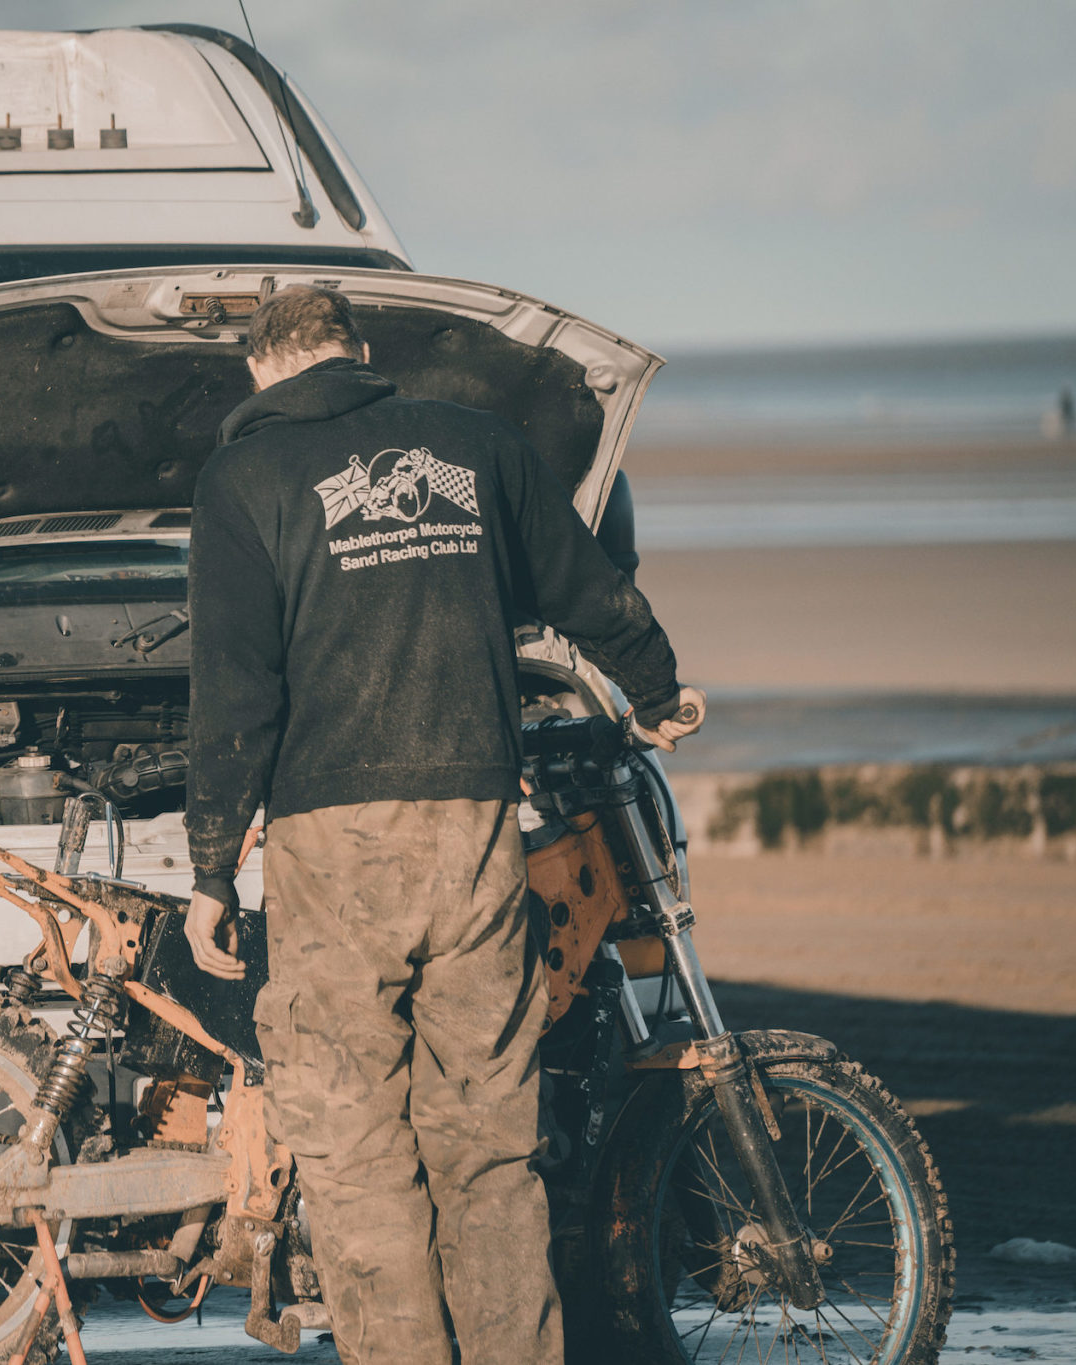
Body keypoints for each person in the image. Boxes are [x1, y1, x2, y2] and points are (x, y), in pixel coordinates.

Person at [181, 286, 703, 1365]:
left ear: (261, 376)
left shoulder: (245, 477)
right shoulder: (477, 448)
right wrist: (655, 692)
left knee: (358, 1151)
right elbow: (586, 588)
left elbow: (235, 692)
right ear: (358, 353)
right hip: (473, 830)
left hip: (332, 845)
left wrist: (208, 870)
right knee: (487, 1149)